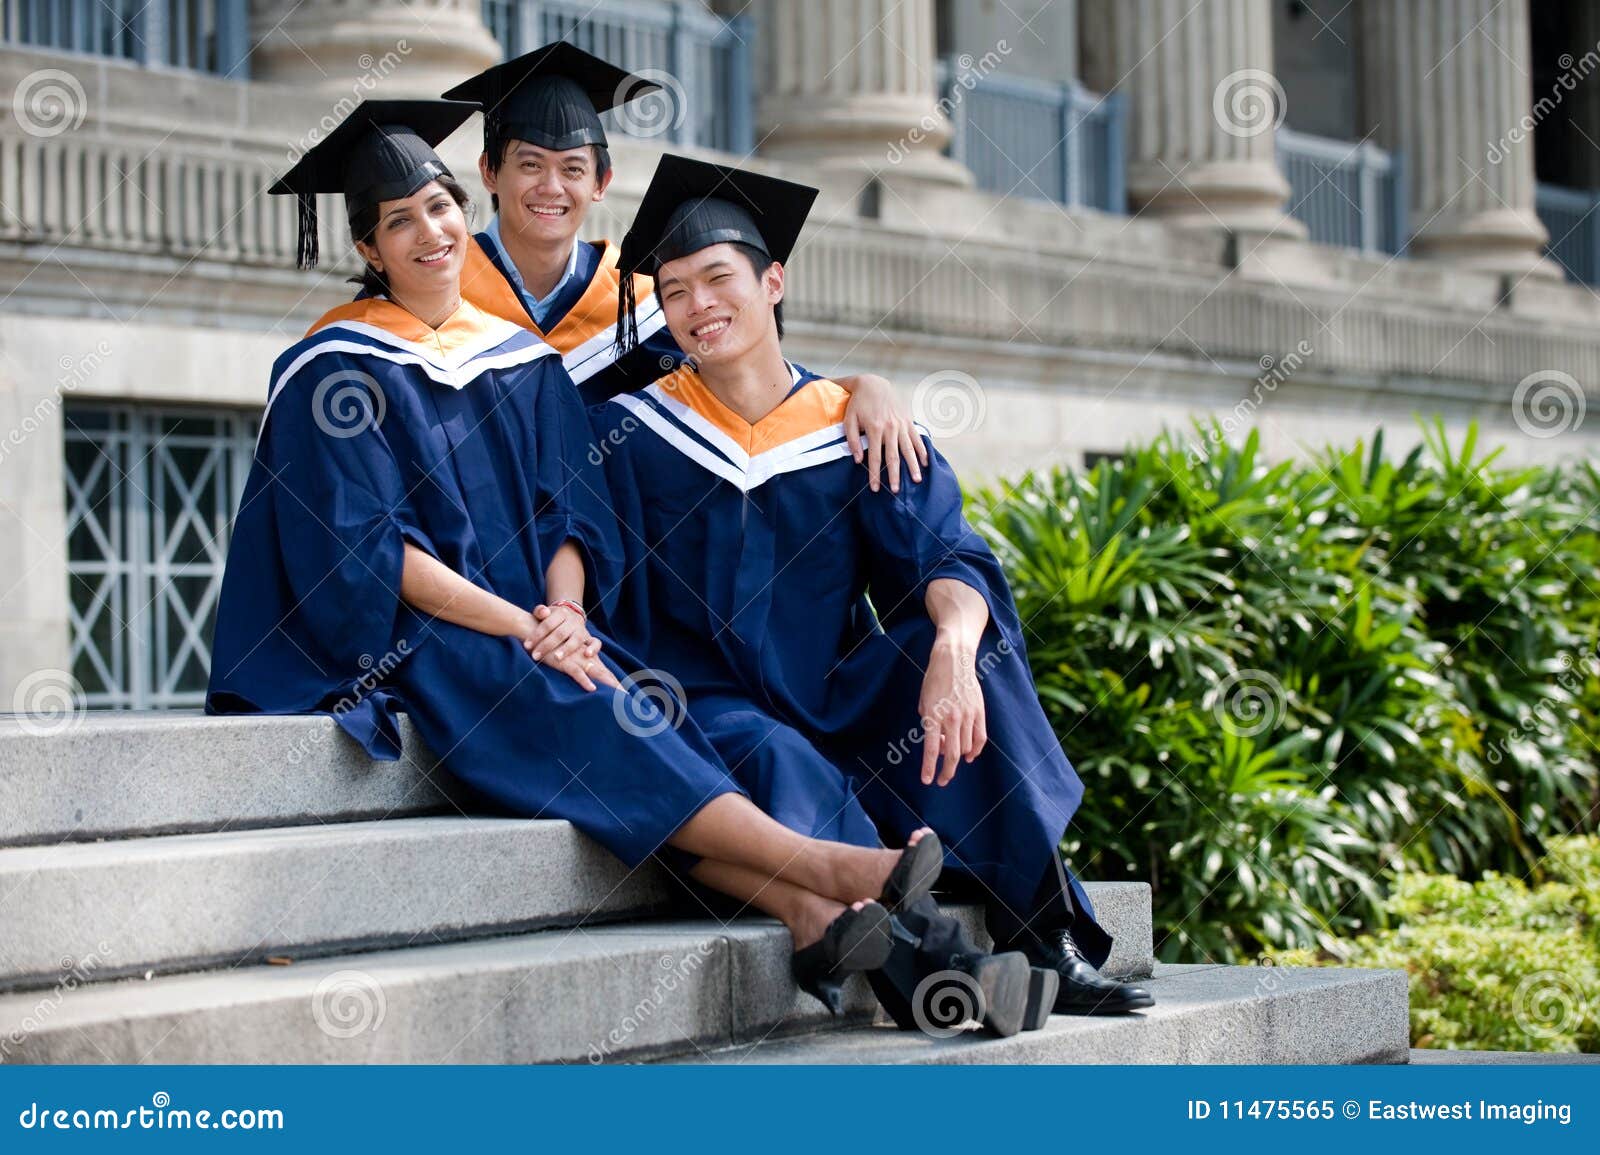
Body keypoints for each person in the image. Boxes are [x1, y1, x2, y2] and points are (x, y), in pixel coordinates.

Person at [204, 101, 947, 1015]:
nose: (430, 232)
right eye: (400, 221)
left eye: (437, 208)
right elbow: (367, 551)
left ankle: (808, 918)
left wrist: (565, 611)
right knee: (607, 722)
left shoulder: (521, 360)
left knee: (656, 717)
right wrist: (524, 624)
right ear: (369, 246)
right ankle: (834, 867)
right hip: (421, 633)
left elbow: (573, 511)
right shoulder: (334, 368)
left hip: (538, 624)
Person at [590, 154, 1155, 1019]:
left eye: (717, 278)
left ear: (772, 280)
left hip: (833, 695)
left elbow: (949, 557)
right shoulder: (634, 433)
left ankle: (1043, 933)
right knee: (773, 755)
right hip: (710, 701)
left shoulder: (852, 427)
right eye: (674, 292)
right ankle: (935, 956)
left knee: (965, 637)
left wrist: (956, 655)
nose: (698, 306)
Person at [440, 42, 926, 491]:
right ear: (488, 172)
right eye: (529, 165)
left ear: (601, 181)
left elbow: (743, 381)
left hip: (613, 558)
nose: (551, 187)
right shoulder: (435, 295)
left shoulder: (644, 304)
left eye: (572, 168)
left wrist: (864, 386)